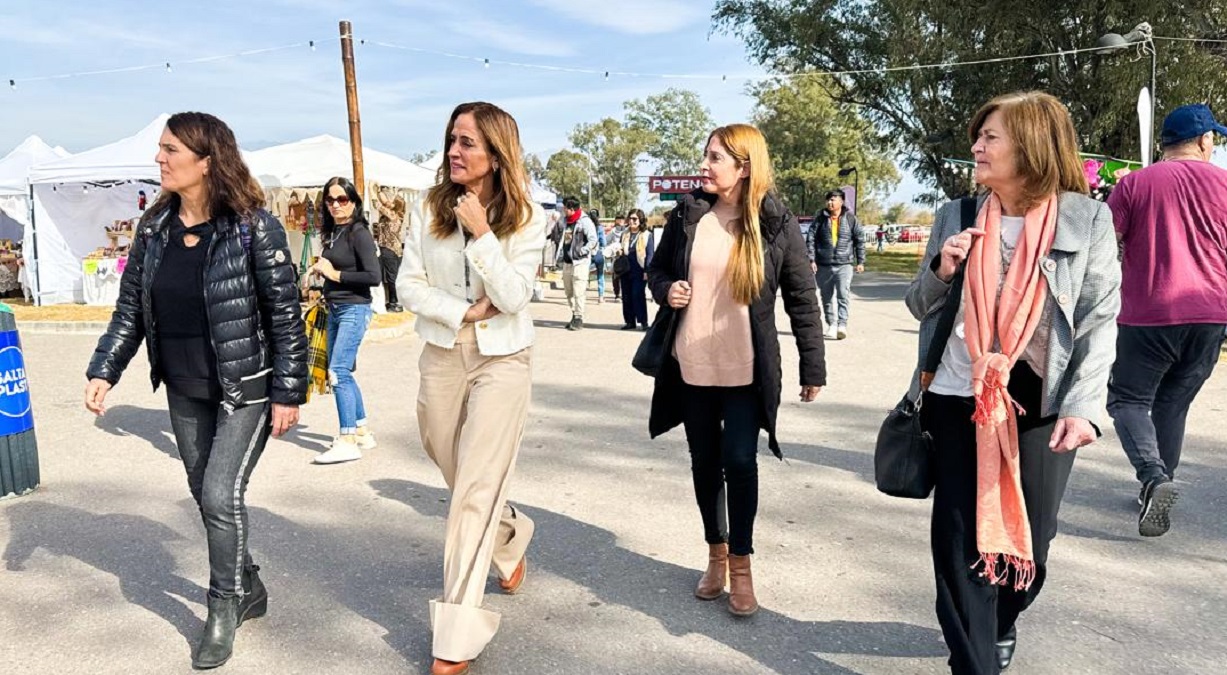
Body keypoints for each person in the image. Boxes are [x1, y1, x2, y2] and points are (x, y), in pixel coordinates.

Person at [905, 91, 1120, 674]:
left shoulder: (1087, 218)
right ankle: (973, 661)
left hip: (1041, 399)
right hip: (960, 391)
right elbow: (918, 305)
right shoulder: (956, 214)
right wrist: (942, 270)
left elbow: (1099, 321)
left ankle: (1001, 618)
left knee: (1035, 541)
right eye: (978, 136)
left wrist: (1084, 407)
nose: (976, 146)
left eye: (990, 137)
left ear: (1031, 145)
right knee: (958, 541)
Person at [84, 112, 306, 669]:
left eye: (170, 150)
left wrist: (288, 391)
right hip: (182, 387)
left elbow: (285, 316)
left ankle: (223, 606)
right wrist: (104, 369)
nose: (159, 159)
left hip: (245, 387)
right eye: (160, 149)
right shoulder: (154, 230)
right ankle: (248, 582)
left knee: (217, 495)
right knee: (209, 497)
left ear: (206, 161)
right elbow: (130, 309)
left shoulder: (254, 226)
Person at [647, 124, 826, 617]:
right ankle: (716, 555)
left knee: (741, 463)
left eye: (715, 158)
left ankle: (743, 567)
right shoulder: (687, 216)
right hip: (691, 367)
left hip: (746, 371)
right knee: (704, 463)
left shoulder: (775, 222)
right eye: (706, 156)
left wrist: (814, 365)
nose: (705, 165)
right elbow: (656, 270)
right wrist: (666, 290)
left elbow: (802, 298)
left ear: (744, 166)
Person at [397, 101, 546, 675]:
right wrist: (461, 312)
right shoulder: (427, 207)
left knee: (473, 491)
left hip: (503, 358)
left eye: (468, 143)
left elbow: (512, 298)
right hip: (443, 348)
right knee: (445, 454)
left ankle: (455, 637)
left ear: (497, 153)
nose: (455, 151)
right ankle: (510, 534)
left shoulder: (528, 216)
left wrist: (483, 234)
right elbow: (407, 283)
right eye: (452, 140)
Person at [1106, 103, 1227, 537]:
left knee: (1128, 400)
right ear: (1204, 140)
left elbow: (1105, 242)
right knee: (1173, 402)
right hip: (1212, 314)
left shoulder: (1135, 184)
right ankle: (1156, 487)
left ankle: (1155, 477)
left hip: (1149, 314)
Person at [309, 177, 382, 464]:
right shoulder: (335, 233)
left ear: (354, 200)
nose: (336, 205)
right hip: (336, 308)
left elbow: (373, 277)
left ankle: (347, 438)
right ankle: (361, 429)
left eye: (343, 199)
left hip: (354, 309)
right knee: (343, 372)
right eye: (330, 200)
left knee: (337, 371)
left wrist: (335, 275)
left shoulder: (359, 232)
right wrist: (318, 274)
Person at [806, 189, 865, 339]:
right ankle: (831, 324)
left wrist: (860, 261)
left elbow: (859, 240)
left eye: (833, 199)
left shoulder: (851, 219)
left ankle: (842, 324)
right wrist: (812, 259)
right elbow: (811, 239)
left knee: (843, 294)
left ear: (842, 201)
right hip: (823, 264)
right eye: (828, 200)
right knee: (826, 296)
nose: (830, 202)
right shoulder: (820, 219)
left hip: (844, 264)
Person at [555, 196, 598, 330]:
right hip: (567, 262)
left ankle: (579, 317)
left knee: (579, 291)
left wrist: (582, 251)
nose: (563, 210)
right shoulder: (564, 221)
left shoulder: (585, 222)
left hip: (580, 262)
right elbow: (557, 235)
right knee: (569, 292)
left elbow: (593, 240)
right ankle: (574, 314)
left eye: (565, 208)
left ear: (571, 209)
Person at [373, 184, 407, 313]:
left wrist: (373, 190)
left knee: (392, 277)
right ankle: (391, 301)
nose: (389, 202)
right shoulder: (392, 214)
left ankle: (395, 302)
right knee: (388, 277)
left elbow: (378, 204)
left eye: (392, 202)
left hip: (390, 248)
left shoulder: (394, 215)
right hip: (387, 248)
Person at [619, 208, 654, 330]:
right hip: (625, 269)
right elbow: (620, 248)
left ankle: (643, 322)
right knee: (626, 296)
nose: (632, 221)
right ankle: (630, 321)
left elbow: (650, 254)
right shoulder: (624, 234)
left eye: (635, 219)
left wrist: (647, 271)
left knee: (637, 294)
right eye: (630, 218)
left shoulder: (647, 235)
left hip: (639, 269)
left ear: (640, 220)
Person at [610, 214, 627, 300]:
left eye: (622, 219)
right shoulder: (613, 231)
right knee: (615, 276)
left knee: (625, 276)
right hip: (615, 257)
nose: (620, 221)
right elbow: (606, 241)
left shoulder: (628, 230)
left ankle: (625, 294)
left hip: (626, 256)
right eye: (618, 219)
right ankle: (617, 294)